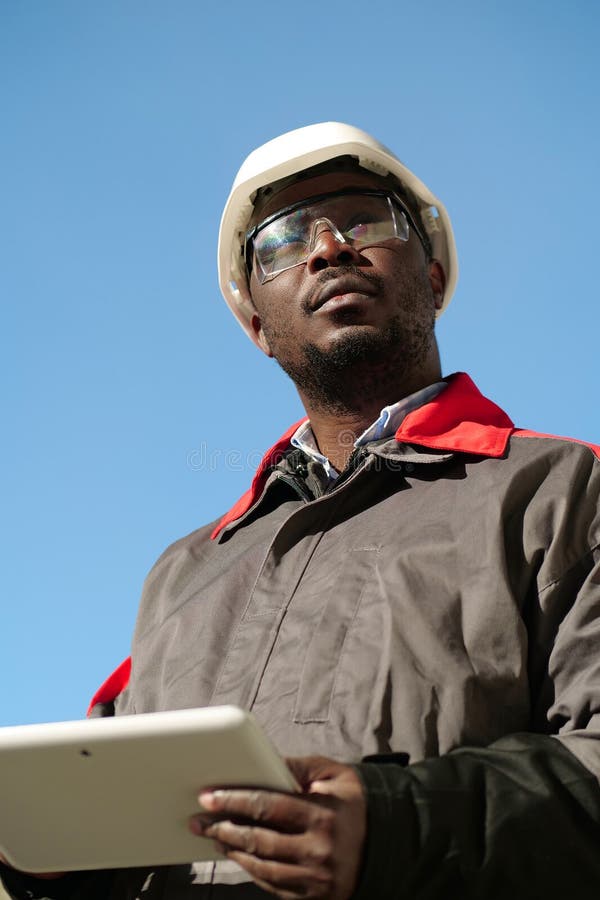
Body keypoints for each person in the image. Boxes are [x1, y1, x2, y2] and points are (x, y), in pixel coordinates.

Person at [2, 122, 600, 899]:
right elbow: (102, 827)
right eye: (283, 241)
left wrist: (399, 827)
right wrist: (36, 857)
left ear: (436, 273)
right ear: (256, 324)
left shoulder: (562, 491)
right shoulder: (183, 574)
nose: (327, 248)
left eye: (365, 219)